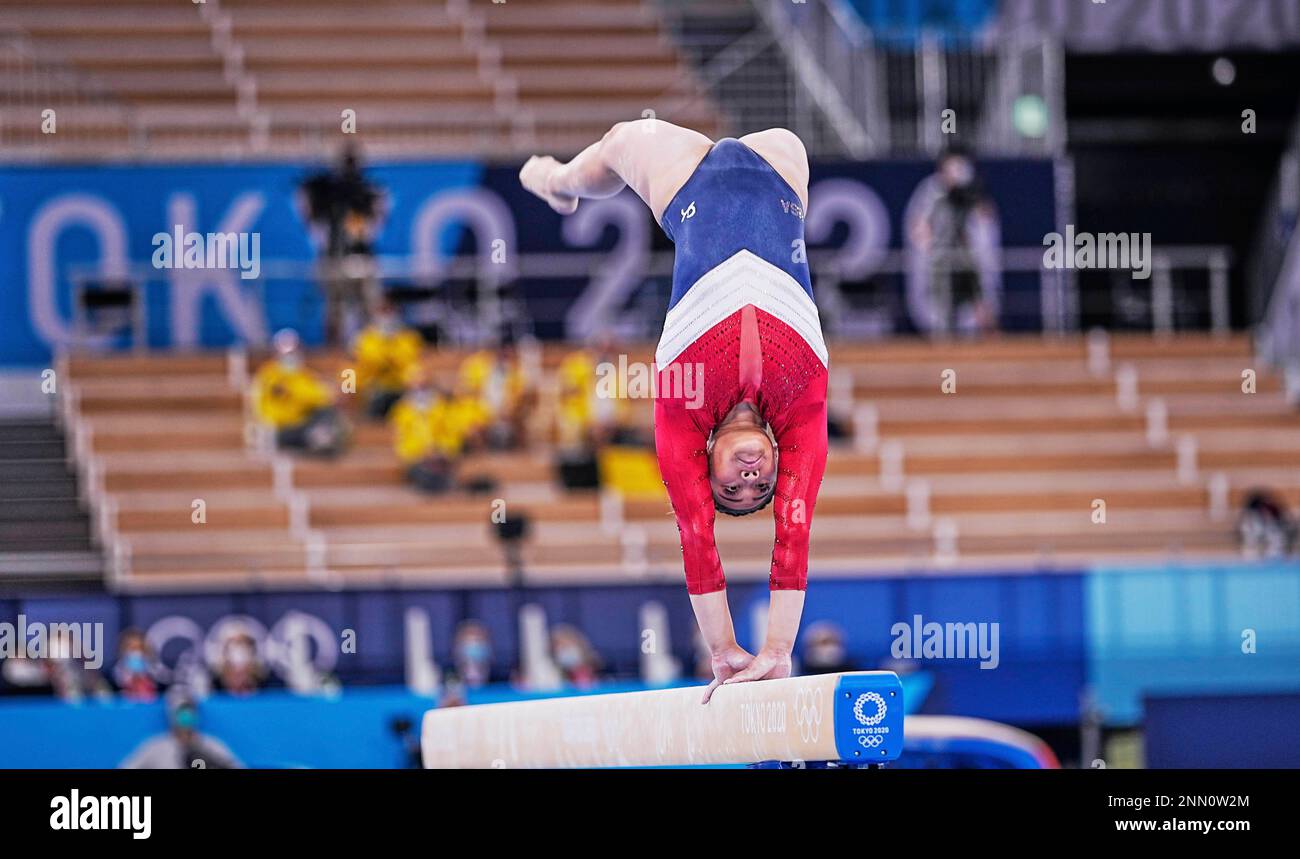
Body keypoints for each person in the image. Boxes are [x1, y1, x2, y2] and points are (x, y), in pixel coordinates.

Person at [520, 120, 827, 703]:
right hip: (781, 170)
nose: (750, 479)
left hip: (688, 189)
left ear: (706, 462)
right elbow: (794, 530)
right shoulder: (800, 408)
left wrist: (723, 648)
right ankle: (565, 180)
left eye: (732, 490)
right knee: (779, 135)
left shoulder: (683, 410)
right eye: (760, 485)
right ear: (776, 461)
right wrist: (779, 649)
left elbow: (696, 534)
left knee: (615, 141)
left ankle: (561, 182)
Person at [905, 146, 1001, 336]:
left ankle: (989, 337)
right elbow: (918, 226)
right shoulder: (931, 191)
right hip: (941, 258)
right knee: (942, 304)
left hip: (966, 257)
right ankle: (943, 341)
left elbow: (985, 218)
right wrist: (929, 249)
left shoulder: (972, 190)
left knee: (978, 295)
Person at [252, 328, 349, 457]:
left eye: (293, 351)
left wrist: (328, 395)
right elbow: (306, 395)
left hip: (301, 423)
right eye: (286, 352)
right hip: (281, 428)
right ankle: (316, 442)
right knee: (318, 418)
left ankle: (321, 441)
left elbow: (320, 394)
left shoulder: (303, 374)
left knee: (326, 412)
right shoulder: (269, 375)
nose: (290, 356)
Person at [119, 691, 244, 769]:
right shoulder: (155, 748)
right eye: (181, 712)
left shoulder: (210, 746)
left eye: (190, 710)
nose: (186, 716)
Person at [350, 302, 425, 419]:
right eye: (383, 313)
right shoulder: (365, 338)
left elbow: (407, 360)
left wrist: (388, 354)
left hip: (400, 387)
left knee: (417, 380)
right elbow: (369, 360)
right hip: (373, 388)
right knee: (348, 383)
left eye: (390, 313)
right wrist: (386, 355)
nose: (387, 318)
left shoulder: (408, 337)